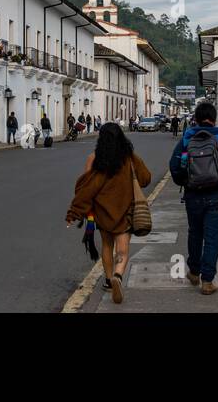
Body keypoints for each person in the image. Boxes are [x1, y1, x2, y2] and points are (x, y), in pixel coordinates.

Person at [66, 122, 152, 305]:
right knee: (122, 249)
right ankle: (118, 276)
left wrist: (74, 212)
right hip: (125, 212)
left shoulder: (94, 159)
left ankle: (107, 279)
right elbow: (145, 179)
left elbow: (85, 188)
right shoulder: (129, 158)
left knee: (107, 245)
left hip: (103, 213)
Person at [168, 102, 218, 295]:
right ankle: (207, 281)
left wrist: (185, 180)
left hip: (193, 195)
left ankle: (194, 272)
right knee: (212, 238)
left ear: (195, 118)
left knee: (195, 233)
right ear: (214, 118)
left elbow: (174, 166)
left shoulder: (186, 140)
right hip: (217, 195)